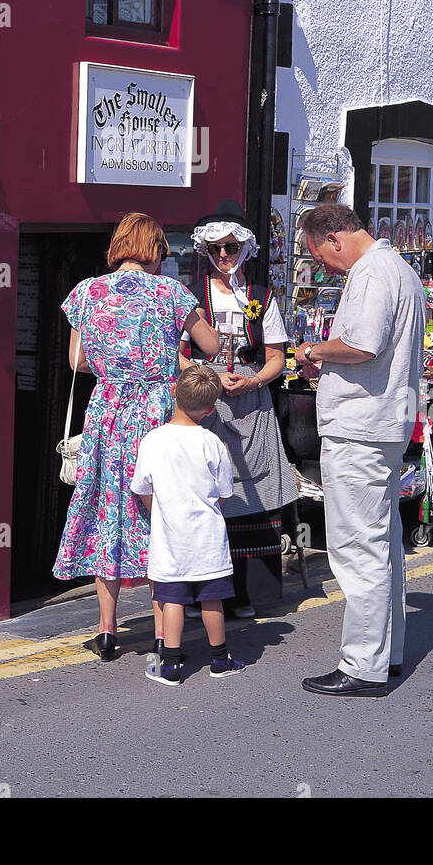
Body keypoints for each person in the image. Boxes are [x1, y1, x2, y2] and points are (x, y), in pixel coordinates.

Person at [52, 212, 220, 661]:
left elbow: (77, 362)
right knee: (157, 511)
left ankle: (107, 632)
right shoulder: (171, 292)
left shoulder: (87, 292)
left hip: (107, 412)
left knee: (107, 509)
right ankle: (164, 635)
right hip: (156, 412)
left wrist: (116, 360)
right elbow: (211, 346)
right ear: (155, 250)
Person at [295, 202, 425, 696]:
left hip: (360, 428)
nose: (324, 268)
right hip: (383, 425)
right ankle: (386, 654)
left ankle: (362, 665)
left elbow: (363, 344)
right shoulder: (400, 270)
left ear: (334, 238)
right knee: (383, 543)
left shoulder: (372, 272)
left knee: (357, 548)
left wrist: (313, 350)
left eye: (320, 256)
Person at [180, 202, 297, 618]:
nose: (224, 255)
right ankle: (199, 593)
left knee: (251, 488)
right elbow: (177, 352)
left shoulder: (261, 297)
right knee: (203, 489)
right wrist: (203, 378)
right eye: (215, 249)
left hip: (249, 400)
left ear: (245, 248)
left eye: (230, 247)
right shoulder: (192, 295)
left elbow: (276, 358)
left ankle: (246, 594)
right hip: (204, 399)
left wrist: (254, 381)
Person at [131, 363, 247, 684]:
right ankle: (220, 658)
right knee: (212, 599)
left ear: (173, 392)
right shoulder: (213, 443)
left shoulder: (153, 440)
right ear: (210, 409)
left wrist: (159, 511)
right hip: (208, 536)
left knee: (172, 599)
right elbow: (223, 493)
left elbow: (142, 488)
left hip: (170, 536)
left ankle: (170, 664)